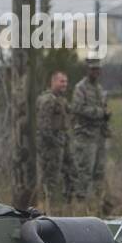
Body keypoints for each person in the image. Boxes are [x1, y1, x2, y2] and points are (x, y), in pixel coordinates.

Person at [70, 55, 110, 198]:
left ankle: (97, 202)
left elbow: (102, 107)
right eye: (93, 69)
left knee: (99, 171)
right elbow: (77, 108)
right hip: (85, 135)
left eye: (98, 69)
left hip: (99, 135)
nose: (96, 72)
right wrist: (99, 112)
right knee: (85, 170)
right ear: (88, 70)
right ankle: (81, 202)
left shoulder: (99, 88)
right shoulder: (80, 88)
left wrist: (106, 114)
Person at [36, 71, 72, 204]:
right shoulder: (48, 100)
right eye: (61, 81)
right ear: (53, 82)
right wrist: (54, 142)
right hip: (50, 145)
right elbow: (43, 126)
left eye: (66, 81)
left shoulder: (61, 99)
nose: (65, 84)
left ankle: (66, 202)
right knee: (50, 177)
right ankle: (47, 204)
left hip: (61, 141)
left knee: (67, 172)